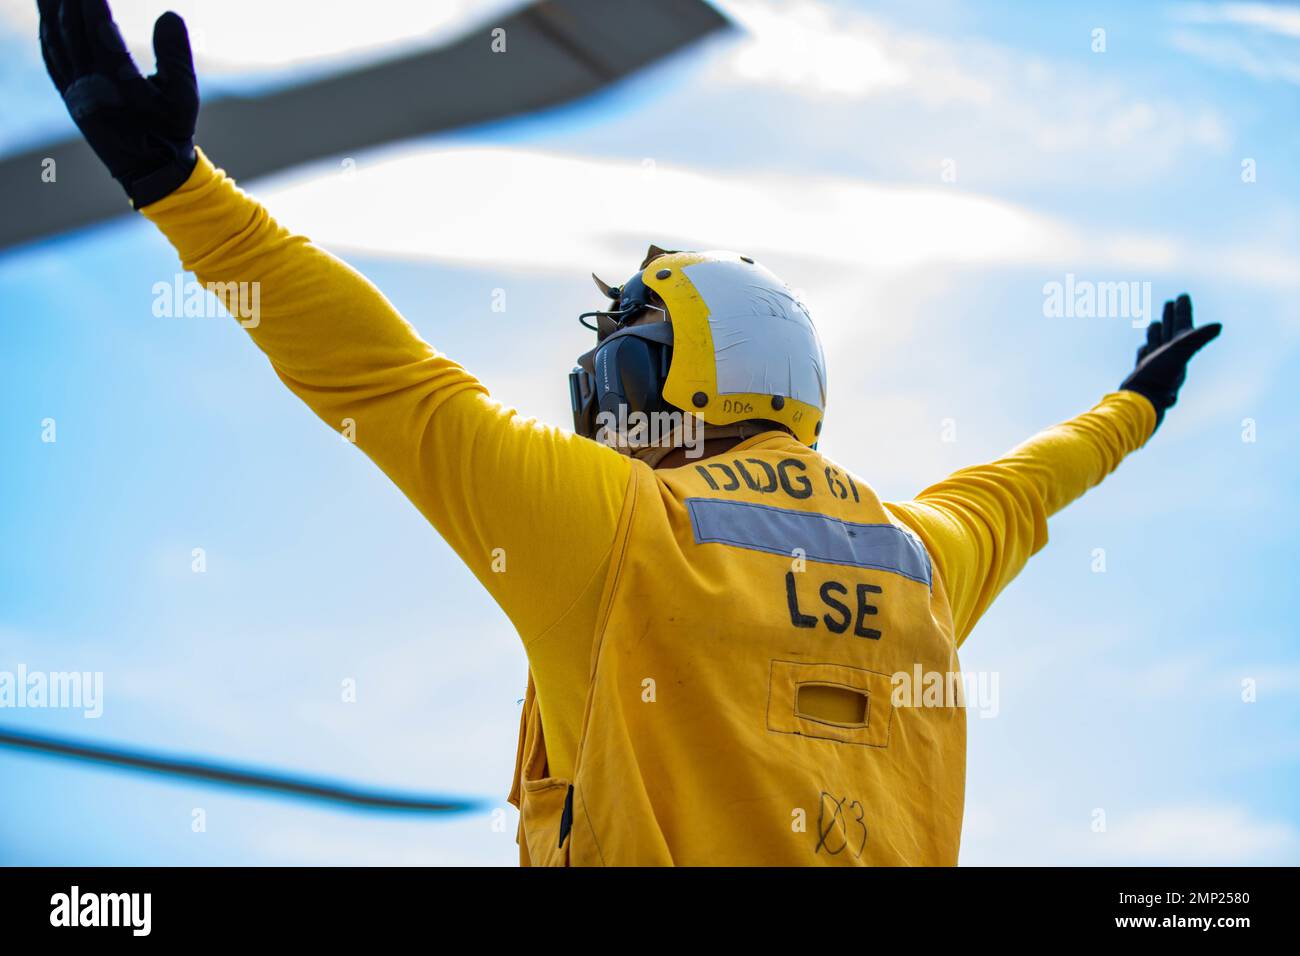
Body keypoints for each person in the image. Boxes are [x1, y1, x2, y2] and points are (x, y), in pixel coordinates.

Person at [37, 1, 1221, 865]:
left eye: (613, 365)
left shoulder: (619, 528)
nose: (595, 406)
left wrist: (180, 189)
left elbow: (384, 380)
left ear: (679, 372)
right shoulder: (918, 559)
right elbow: (1024, 488)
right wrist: (1136, 407)